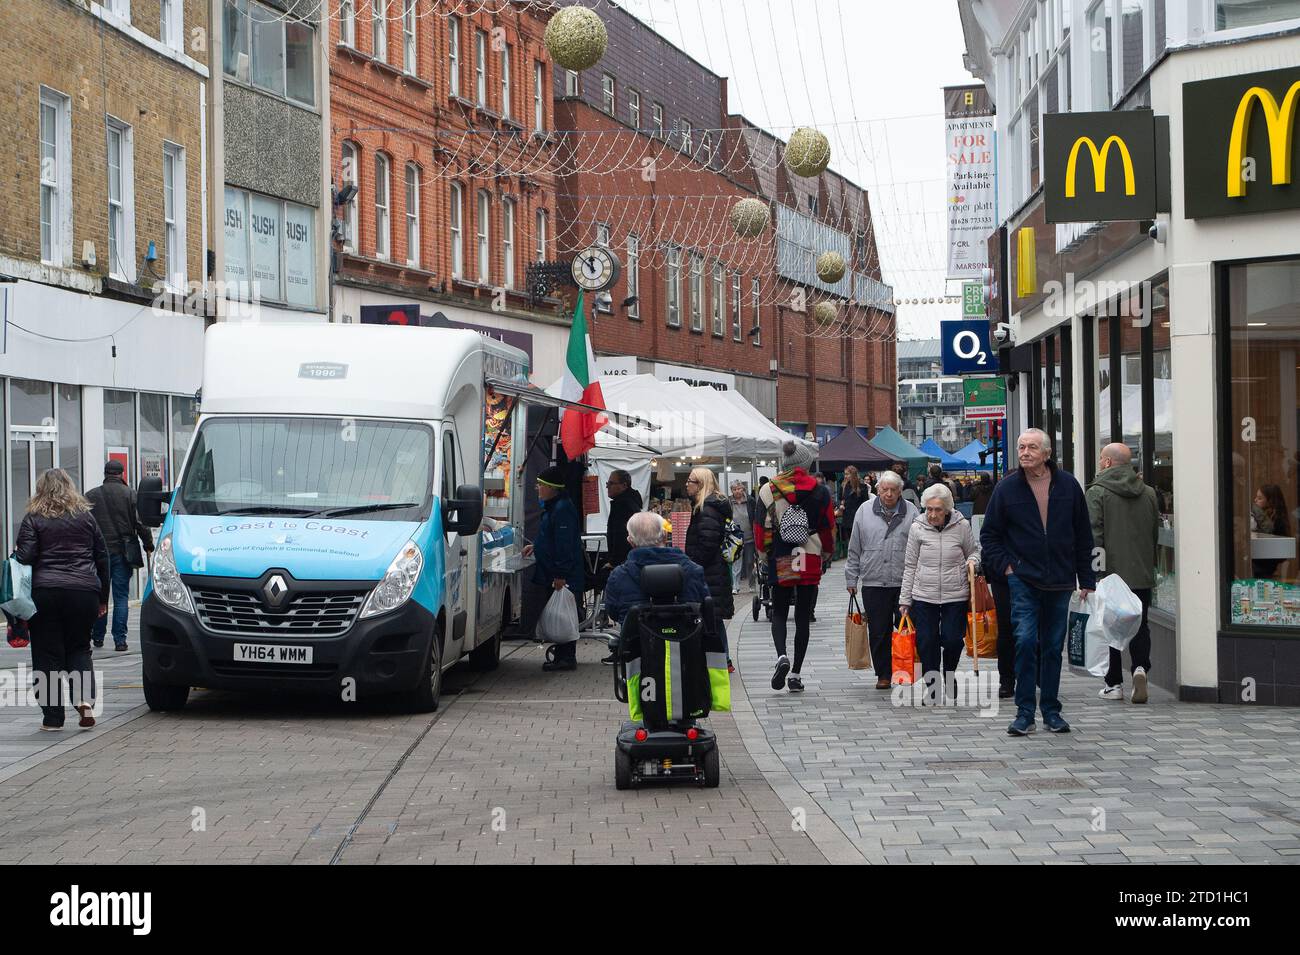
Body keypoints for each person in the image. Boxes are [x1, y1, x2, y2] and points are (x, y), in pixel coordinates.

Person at [981, 429, 1096, 736]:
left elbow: (1083, 534)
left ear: (1046, 453)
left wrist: (1086, 577)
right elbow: (989, 536)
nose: (1025, 452)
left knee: (1052, 647)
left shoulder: (1068, 486)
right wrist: (1007, 568)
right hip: (1023, 579)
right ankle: (1024, 712)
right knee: (1025, 640)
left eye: (1032, 447)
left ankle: (1051, 711)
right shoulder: (1007, 489)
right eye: (1021, 447)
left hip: (1060, 580)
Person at [15, 469, 110, 732]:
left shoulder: (33, 518)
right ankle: (83, 700)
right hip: (83, 593)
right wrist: (102, 598)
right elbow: (103, 559)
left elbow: (26, 557)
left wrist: (17, 551)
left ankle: (53, 718)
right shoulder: (86, 518)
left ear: (40, 489)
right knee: (79, 647)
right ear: (70, 488)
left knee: (47, 654)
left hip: (44, 594)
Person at [755, 441, 835, 693]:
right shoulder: (821, 491)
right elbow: (828, 526)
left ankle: (781, 656)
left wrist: (765, 554)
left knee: (779, 611)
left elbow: (761, 529)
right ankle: (797, 674)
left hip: (782, 555)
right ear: (806, 464)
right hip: (809, 554)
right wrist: (827, 552)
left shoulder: (769, 489)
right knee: (802, 615)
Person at [1088, 443, 1160, 704]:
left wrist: (1094, 573)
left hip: (1111, 574)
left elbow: (1094, 534)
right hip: (1141, 571)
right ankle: (1140, 668)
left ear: (1107, 463)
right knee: (1141, 624)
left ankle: (1114, 683)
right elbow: (1154, 534)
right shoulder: (1149, 493)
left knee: (1111, 627)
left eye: (1100, 459)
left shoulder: (1097, 492)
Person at [898, 483, 980, 704]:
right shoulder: (917, 528)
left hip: (956, 594)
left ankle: (949, 674)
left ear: (947, 509)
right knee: (926, 642)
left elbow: (973, 551)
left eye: (938, 510)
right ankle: (932, 687)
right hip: (924, 595)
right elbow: (910, 565)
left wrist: (973, 561)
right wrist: (905, 600)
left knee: (953, 640)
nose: (933, 514)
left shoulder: (961, 526)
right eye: (929, 509)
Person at [844, 470, 918, 689]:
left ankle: (905, 668)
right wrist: (851, 578)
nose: (888, 494)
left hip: (904, 581)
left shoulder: (912, 511)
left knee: (905, 627)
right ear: (877, 490)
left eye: (893, 490)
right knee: (878, 630)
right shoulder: (864, 511)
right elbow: (854, 546)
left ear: (900, 491)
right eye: (884, 489)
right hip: (874, 580)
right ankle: (883, 674)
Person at [85, 459, 154, 651]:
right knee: (121, 596)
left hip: (97, 554)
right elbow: (141, 524)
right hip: (123, 553)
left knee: (100, 595)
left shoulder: (90, 496)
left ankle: (97, 637)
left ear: (105, 473)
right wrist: (148, 544)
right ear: (121, 474)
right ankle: (120, 640)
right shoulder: (130, 495)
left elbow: (83, 524)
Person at [523, 465, 585, 672]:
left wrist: (561, 575)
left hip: (562, 574)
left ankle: (567, 657)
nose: (538, 489)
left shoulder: (562, 509)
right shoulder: (555, 508)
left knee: (564, 614)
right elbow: (552, 538)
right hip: (555, 572)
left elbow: (564, 544)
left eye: (540, 485)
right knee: (560, 613)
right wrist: (536, 546)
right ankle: (562, 655)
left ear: (552, 488)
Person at [604, 513, 710, 625]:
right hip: (686, 639)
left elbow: (613, 612)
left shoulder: (619, 576)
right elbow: (705, 606)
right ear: (665, 535)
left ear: (630, 541)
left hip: (638, 641)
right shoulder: (693, 570)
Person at [684, 468, 735, 668]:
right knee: (712, 616)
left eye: (691, 481)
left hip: (709, 572)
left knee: (711, 617)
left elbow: (707, 543)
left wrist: (691, 564)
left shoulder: (707, 509)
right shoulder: (707, 506)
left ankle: (722, 659)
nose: (687, 484)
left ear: (702, 484)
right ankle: (722, 659)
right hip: (713, 572)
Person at [1251, 484, 1290, 579]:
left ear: (1270, 501)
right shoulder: (1258, 517)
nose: (1255, 500)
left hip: (1265, 569)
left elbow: (1280, 553)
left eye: (1260, 498)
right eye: (1256, 497)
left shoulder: (1277, 521)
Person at [728, 481, 756, 594]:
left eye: (739, 489)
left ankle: (752, 585)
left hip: (749, 537)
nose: (737, 491)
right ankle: (735, 586)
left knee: (750, 562)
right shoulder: (729, 502)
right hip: (735, 537)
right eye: (734, 489)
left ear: (743, 489)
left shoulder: (750, 501)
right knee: (736, 562)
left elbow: (754, 516)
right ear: (731, 491)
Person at [836, 467, 867, 560]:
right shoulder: (843, 486)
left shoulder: (862, 486)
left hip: (858, 515)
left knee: (859, 537)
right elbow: (840, 499)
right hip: (847, 515)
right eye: (845, 474)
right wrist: (840, 505)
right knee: (850, 537)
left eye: (847, 474)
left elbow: (865, 502)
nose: (845, 476)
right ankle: (853, 556)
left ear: (853, 474)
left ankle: (860, 555)